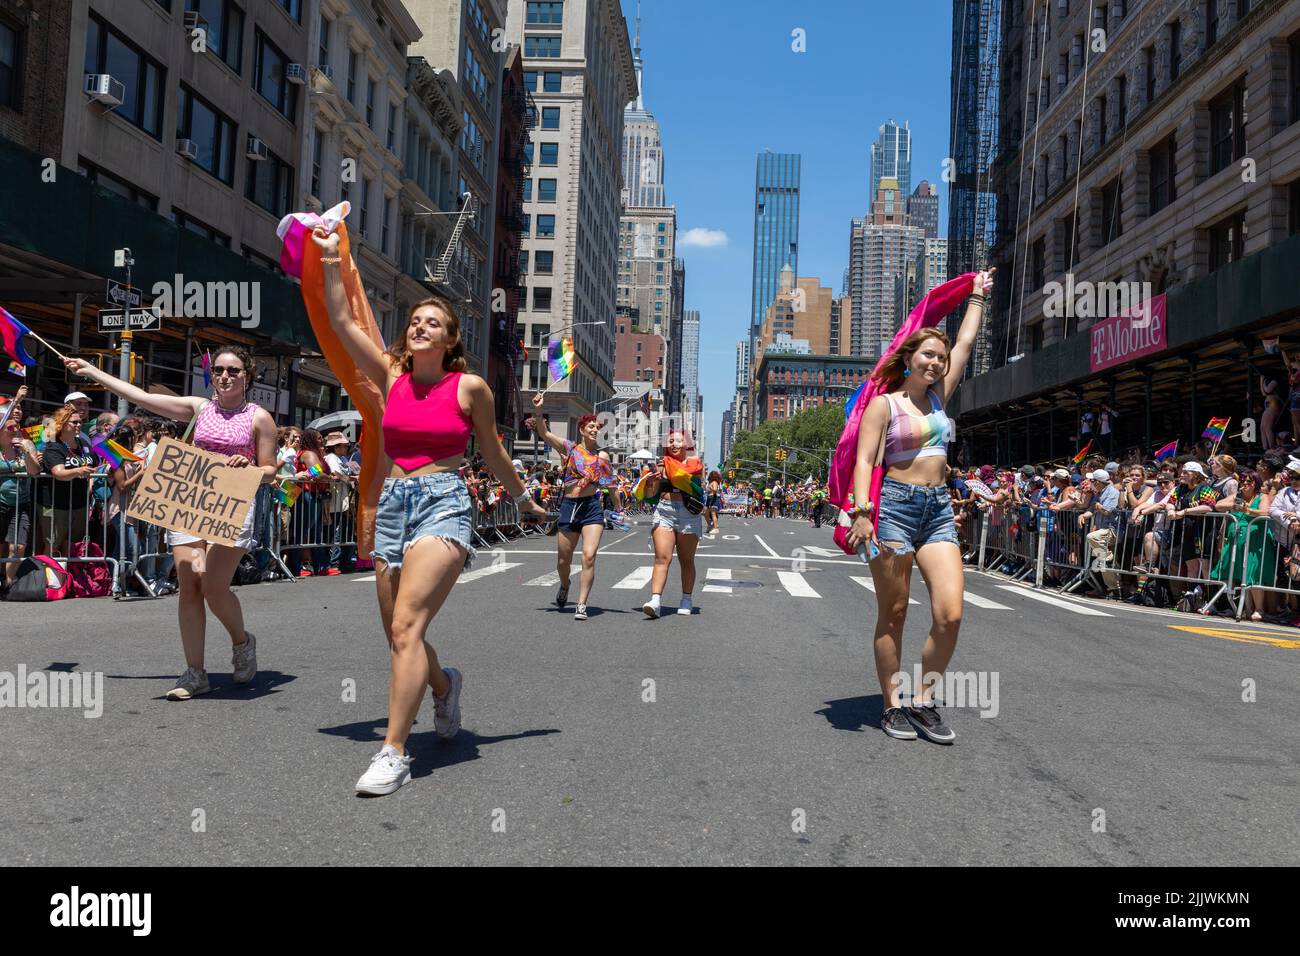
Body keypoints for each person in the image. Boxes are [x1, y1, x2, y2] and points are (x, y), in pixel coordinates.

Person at [311, 226, 545, 796]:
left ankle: (394, 752)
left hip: (444, 502)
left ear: (451, 339)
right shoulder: (390, 375)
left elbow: (491, 451)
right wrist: (326, 255)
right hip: (393, 503)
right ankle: (445, 687)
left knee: (407, 625)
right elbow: (343, 322)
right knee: (398, 634)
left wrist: (522, 499)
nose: (419, 326)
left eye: (432, 322)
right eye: (415, 320)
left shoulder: (470, 389)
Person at [64, 348, 278, 700]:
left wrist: (251, 468)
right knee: (190, 583)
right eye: (219, 370)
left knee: (214, 587)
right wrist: (92, 372)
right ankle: (195, 673)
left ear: (247, 377)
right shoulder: (199, 408)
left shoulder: (259, 418)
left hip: (231, 508)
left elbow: (271, 471)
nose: (225, 376)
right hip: (189, 505)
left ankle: (242, 642)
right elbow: (142, 397)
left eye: (233, 371)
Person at [845, 268, 995, 744]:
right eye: (928, 354)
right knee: (893, 614)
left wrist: (976, 297)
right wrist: (863, 512)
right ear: (908, 357)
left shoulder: (938, 399)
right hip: (892, 507)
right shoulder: (884, 406)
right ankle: (892, 706)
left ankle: (923, 701)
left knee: (949, 613)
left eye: (941, 358)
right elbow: (865, 459)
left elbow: (967, 345)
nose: (936, 362)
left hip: (936, 511)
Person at [526, 395, 620, 621]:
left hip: (591, 508)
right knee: (563, 561)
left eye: (597, 428)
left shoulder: (602, 456)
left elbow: (611, 486)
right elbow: (545, 434)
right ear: (581, 430)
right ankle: (565, 585)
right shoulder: (569, 448)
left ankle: (581, 604)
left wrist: (619, 508)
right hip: (569, 506)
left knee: (589, 556)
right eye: (591, 427)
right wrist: (539, 411)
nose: (595, 430)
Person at [639, 429, 703, 619]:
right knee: (661, 557)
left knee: (686, 560)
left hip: (688, 514)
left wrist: (678, 475)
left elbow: (698, 490)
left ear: (686, 444)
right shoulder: (661, 465)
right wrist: (650, 483)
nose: (674, 444)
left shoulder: (695, 465)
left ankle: (686, 599)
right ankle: (655, 601)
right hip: (664, 510)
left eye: (678, 441)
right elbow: (651, 496)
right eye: (671, 441)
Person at [38, 404, 98, 557]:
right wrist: (78, 471)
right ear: (62, 425)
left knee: (74, 543)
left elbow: (96, 464)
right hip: (56, 504)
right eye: (74, 422)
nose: (79, 425)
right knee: (53, 544)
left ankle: (70, 576)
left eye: (80, 422)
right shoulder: (54, 447)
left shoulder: (84, 444)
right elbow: (58, 472)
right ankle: (52, 580)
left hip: (80, 503)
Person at [0, 388, 39, 593]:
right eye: (10, 427)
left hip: (20, 503)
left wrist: (28, 452)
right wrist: (16, 399)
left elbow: (34, 471)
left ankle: (8, 584)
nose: (15, 430)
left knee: (19, 546)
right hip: (1, 501)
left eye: (17, 428)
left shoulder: (24, 443)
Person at [286, 428, 333, 577]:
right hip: (306, 495)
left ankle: (321, 566)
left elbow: (315, 473)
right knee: (301, 532)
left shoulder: (312, 454)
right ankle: (295, 567)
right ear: (312, 439)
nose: (322, 440)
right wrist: (331, 478)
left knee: (315, 533)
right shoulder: (309, 454)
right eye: (319, 438)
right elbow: (316, 473)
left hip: (312, 494)